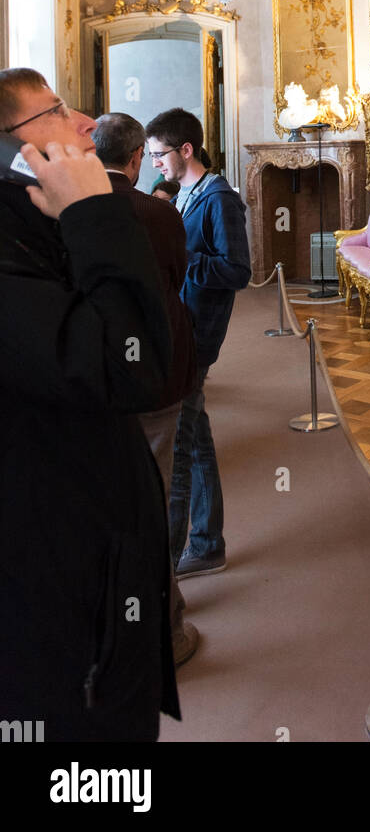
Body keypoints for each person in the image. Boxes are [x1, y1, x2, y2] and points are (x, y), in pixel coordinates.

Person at [0, 68, 182, 741]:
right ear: (10, 148)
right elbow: (132, 366)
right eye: (57, 111)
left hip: (93, 575)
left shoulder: (27, 227)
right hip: (61, 611)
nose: (86, 124)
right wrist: (91, 212)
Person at [93, 112, 199, 666]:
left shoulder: (71, 215)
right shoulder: (159, 216)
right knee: (151, 501)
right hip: (155, 379)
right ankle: (164, 634)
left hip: (94, 383)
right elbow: (176, 279)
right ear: (136, 160)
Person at [145, 108, 251, 577]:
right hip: (184, 327)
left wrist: (182, 257)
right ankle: (208, 543)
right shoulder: (187, 193)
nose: (154, 165)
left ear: (186, 150)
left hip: (198, 334)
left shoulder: (219, 199)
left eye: (158, 155)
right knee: (197, 438)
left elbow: (238, 271)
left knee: (183, 449)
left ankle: (185, 556)